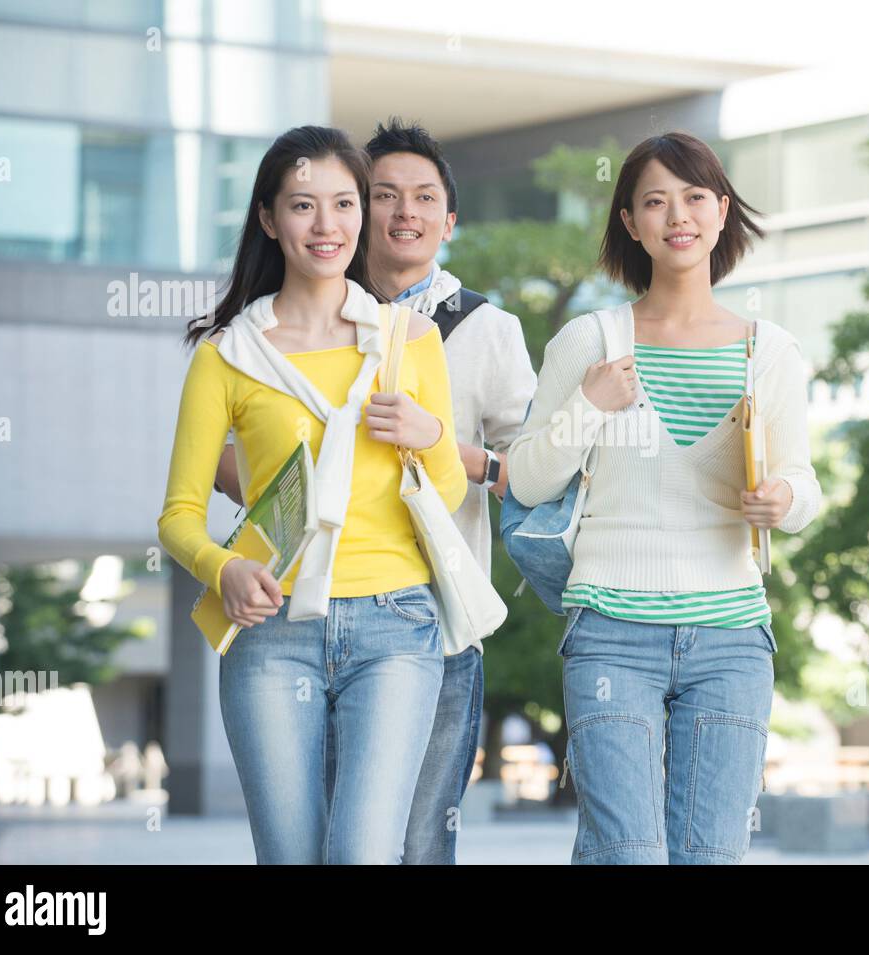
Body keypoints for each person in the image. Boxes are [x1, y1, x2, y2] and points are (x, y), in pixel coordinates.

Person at [211, 118, 537, 864]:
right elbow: (221, 462)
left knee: (418, 842)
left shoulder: (485, 328)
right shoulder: (298, 315)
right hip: (300, 602)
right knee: (309, 840)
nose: (404, 213)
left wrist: (446, 447)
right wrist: (305, 472)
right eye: (383, 194)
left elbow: (538, 470)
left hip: (432, 619)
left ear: (449, 220)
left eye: (424, 198)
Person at [506, 131, 822, 864]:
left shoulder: (766, 350)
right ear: (630, 222)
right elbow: (524, 478)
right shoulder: (590, 341)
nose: (676, 215)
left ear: (720, 212)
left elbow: (804, 483)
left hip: (732, 639)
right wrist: (588, 405)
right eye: (655, 201)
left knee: (709, 855)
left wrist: (783, 499)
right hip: (611, 629)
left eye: (693, 197)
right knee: (630, 852)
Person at [158, 125, 467, 864]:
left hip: (397, 628)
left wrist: (428, 436)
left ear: (361, 213)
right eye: (302, 205)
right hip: (272, 636)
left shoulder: (407, 339)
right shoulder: (228, 354)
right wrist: (222, 567)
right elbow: (178, 515)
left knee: (362, 852)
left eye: (342, 203)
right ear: (269, 219)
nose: (326, 226)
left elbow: (448, 494)